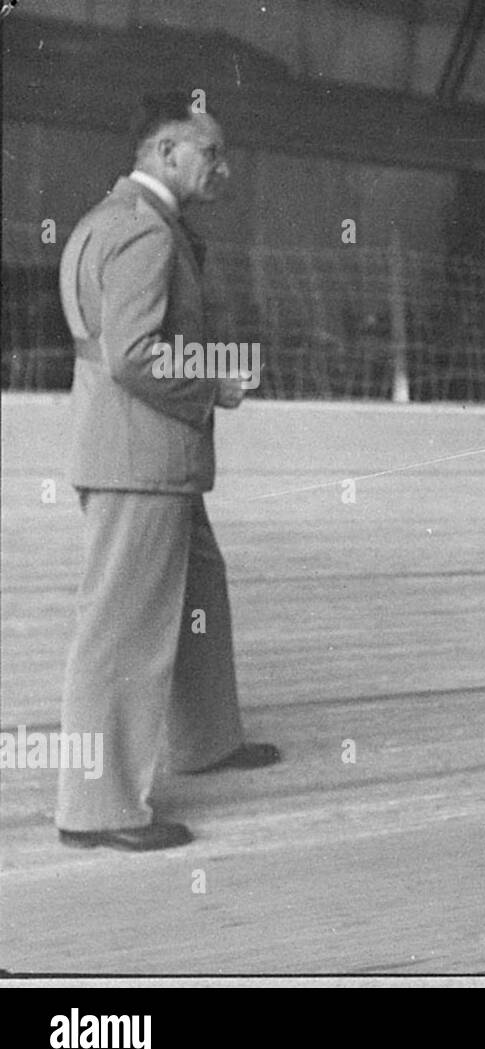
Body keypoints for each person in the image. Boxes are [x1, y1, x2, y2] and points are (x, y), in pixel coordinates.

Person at [56, 92, 279, 853]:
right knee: (123, 630)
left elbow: (112, 348)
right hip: (141, 458)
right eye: (210, 153)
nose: (224, 167)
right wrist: (216, 382)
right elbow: (136, 354)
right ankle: (99, 806)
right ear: (164, 154)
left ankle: (206, 738)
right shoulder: (148, 236)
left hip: (137, 451)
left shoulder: (102, 222)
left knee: (199, 591)